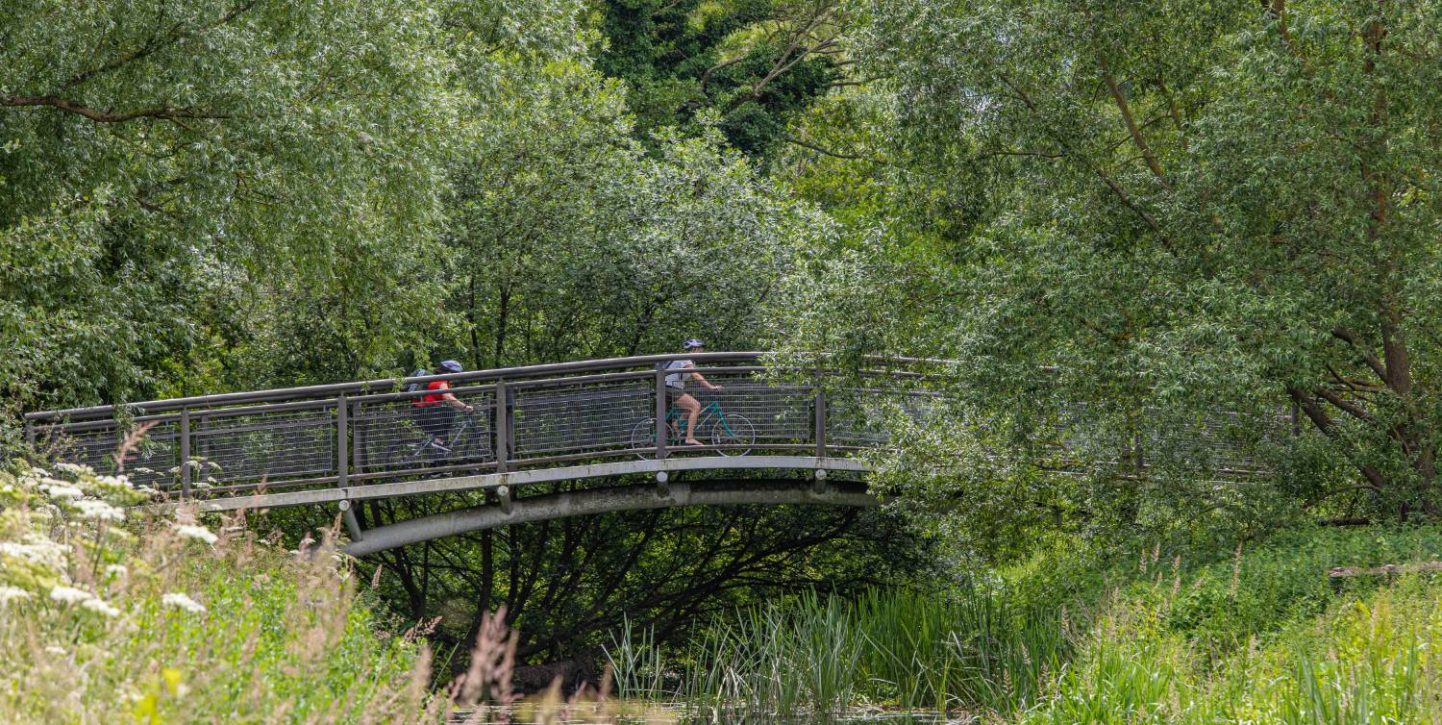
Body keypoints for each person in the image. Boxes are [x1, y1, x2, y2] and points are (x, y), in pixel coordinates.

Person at [665, 339, 722, 446]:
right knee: (696, 406)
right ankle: (689, 438)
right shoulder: (685, 358)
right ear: (695, 349)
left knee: (690, 409)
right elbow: (696, 375)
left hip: (671, 388)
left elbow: (691, 377)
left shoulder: (689, 361)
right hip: (670, 388)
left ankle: (676, 424)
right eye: (701, 349)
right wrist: (711, 387)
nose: (702, 352)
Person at [411, 359, 474, 454]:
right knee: (449, 412)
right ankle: (438, 448)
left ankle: (438, 455)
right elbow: (449, 398)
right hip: (426, 413)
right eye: (455, 374)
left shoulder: (438, 381)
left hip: (423, 412)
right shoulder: (441, 382)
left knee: (447, 413)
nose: (455, 377)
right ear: (449, 372)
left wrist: (460, 406)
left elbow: (451, 399)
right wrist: (465, 407)